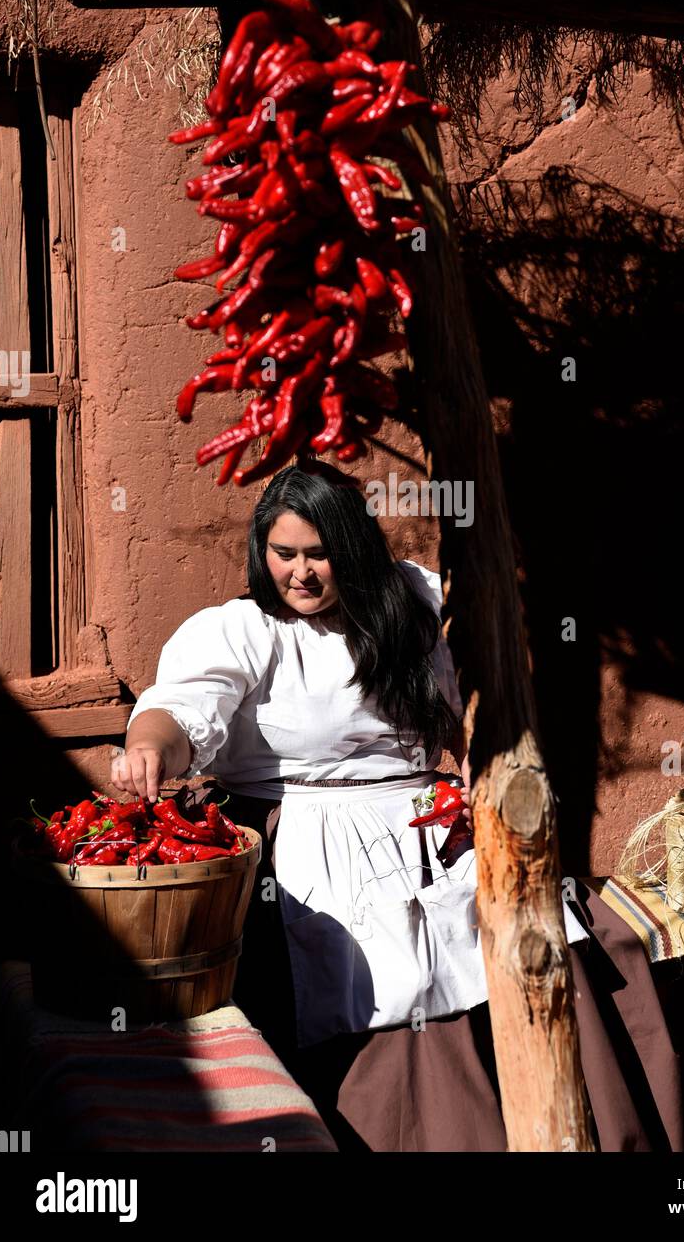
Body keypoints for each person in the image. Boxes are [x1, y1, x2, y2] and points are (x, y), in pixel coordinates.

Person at [113, 460, 507, 1152]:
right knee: (366, 979)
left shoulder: (414, 603)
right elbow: (183, 709)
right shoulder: (242, 630)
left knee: (486, 961)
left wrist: (481, 771)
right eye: (283, 553)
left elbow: (461, 712)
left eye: (318, 555)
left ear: (352, 548)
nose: (298, 573)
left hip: (424, 829)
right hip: (297, 836)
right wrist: (150, 747)